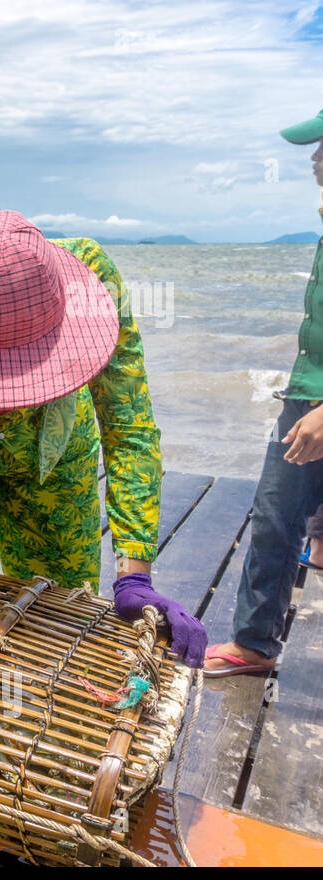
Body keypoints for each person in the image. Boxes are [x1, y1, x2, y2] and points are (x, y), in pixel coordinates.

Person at [0, 211, 207, 667]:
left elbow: (127, 425)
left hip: (53, 458)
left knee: (58, 623)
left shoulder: (93, 285)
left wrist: (134, 575)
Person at [214, 111, 323, 676]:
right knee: (277, 517)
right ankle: (255, 643)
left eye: (322, 148)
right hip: (307, 391)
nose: (313, 160)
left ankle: (254, 642)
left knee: (277, 515)